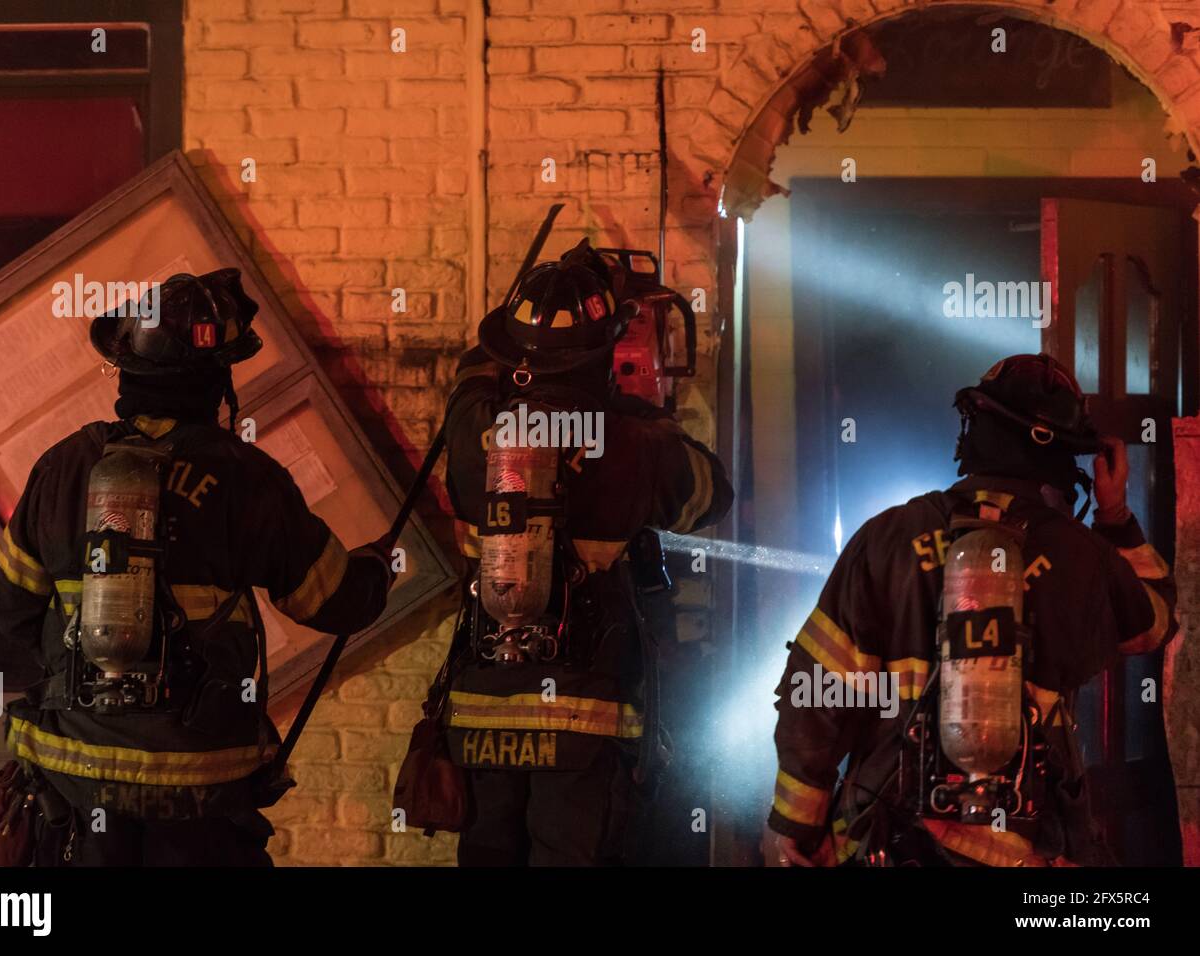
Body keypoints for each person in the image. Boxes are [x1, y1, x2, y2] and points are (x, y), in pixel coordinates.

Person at [0, 268, 394, 865]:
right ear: (217, 380)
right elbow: (333, 603)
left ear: (127, 370)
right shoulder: (247, 477)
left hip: (73, 778)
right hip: (199, 789)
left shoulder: (63, 466)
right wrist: (376, 569)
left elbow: (12, 610)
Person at [767, 353, 1177, 867]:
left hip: (887, 840)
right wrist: (1114, 515)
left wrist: (796, 826)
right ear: (1062, 457)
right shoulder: (1083, 558)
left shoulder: (888, 537)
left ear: (975, 430)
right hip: (1025, 851)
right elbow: (1155, 623)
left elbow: (819, 692)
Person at [438, 240, 733, 865]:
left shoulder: (468, 431)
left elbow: (471, 375)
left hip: (482, 710)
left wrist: (517, 332)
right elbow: (712, 496)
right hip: (581, 718)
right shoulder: (636, 443)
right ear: (605, 350)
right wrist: (639, 416)